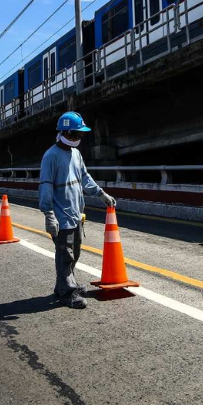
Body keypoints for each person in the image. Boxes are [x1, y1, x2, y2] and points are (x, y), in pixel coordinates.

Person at [39, 111, 116, 309]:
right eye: (77, 134)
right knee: (66, 255)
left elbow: (84, 178)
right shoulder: (51, 156)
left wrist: (101, 194)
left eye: (81, 135)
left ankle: (64, 285)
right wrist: (49, 214)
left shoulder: (75, 154)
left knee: (76, 252)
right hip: (61, 216)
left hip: (75, 214)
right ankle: (67, 293)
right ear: (67, 132)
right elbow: (45, 186)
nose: (79, 138)